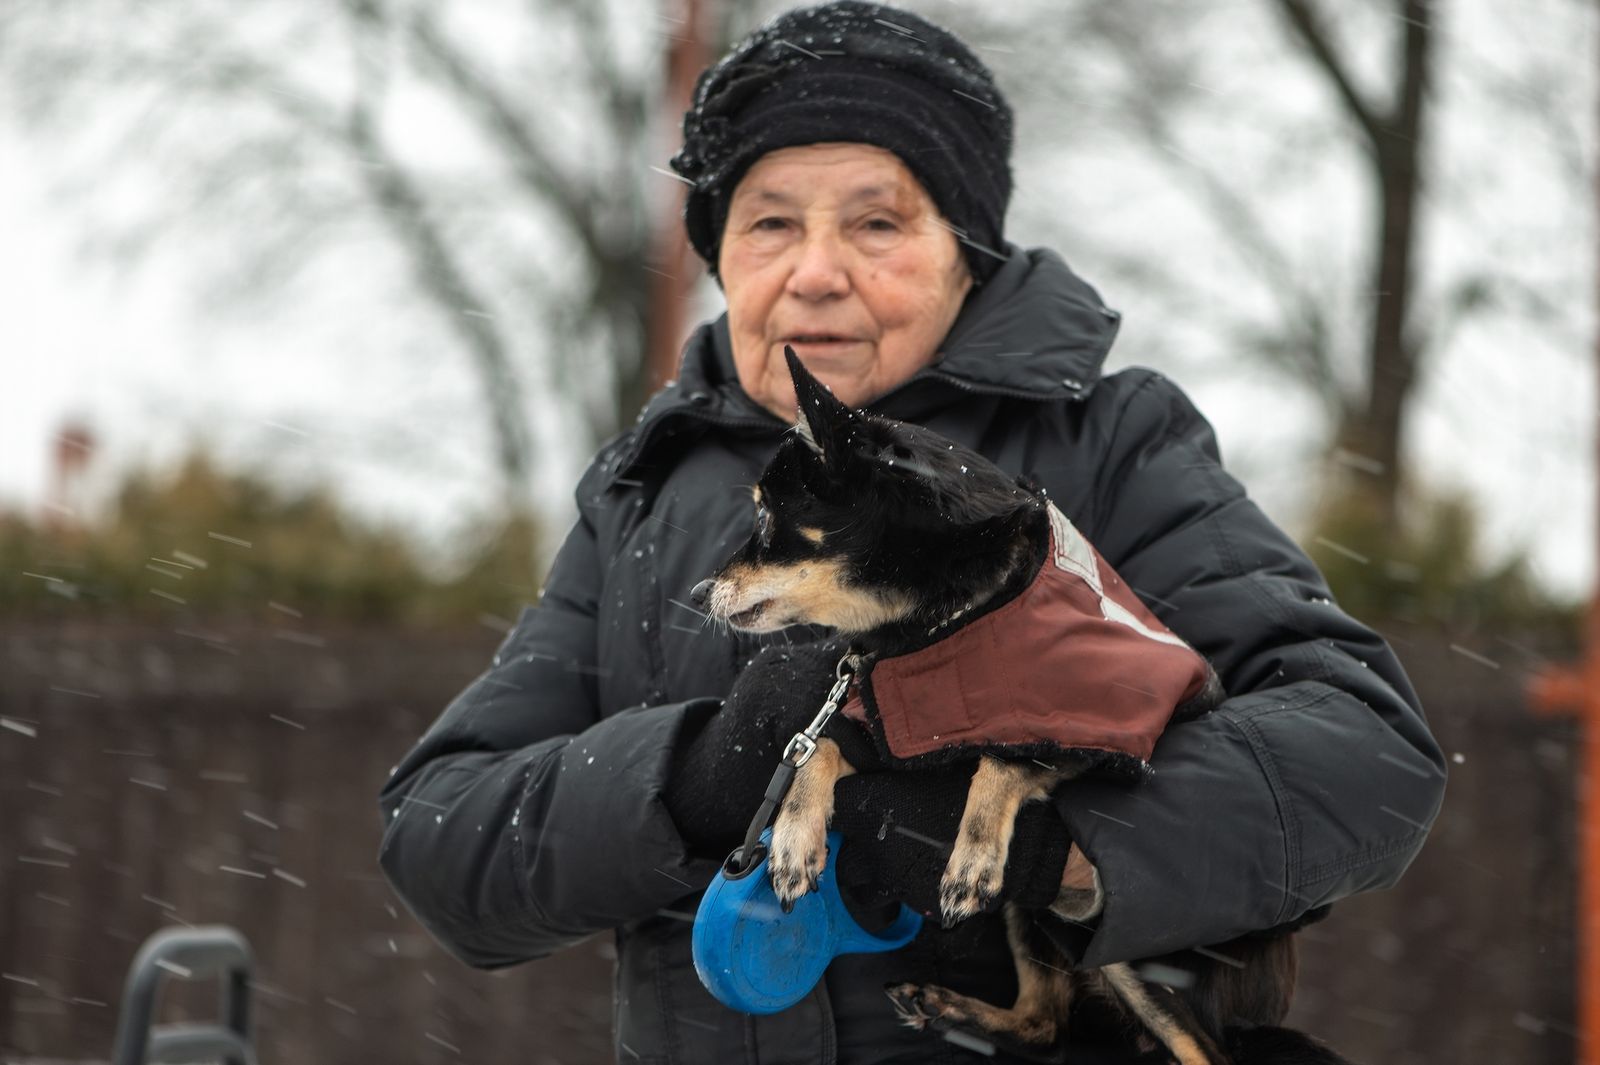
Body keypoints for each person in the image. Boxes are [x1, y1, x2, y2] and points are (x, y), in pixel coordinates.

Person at [378, 3, 1446, 1062]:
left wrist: (1053, 850)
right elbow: (441, 838)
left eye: (877, 223)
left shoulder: (1104, 445)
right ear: (720, 259)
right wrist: (696, 777)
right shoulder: (641, 493)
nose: (815, 271)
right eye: (768, 222)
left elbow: (1367, 759)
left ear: (964, 252)